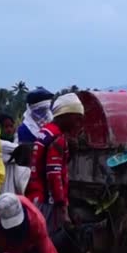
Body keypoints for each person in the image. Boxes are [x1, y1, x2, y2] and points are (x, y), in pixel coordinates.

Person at [25, 93, 85, 235]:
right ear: (66, 115)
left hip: (35, 196)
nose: (78, 123)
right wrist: (62, 206)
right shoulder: (57, 138)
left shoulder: (45, 131)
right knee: (46, 241)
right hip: (47, 201)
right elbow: (54, 175)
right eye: (76, 118)